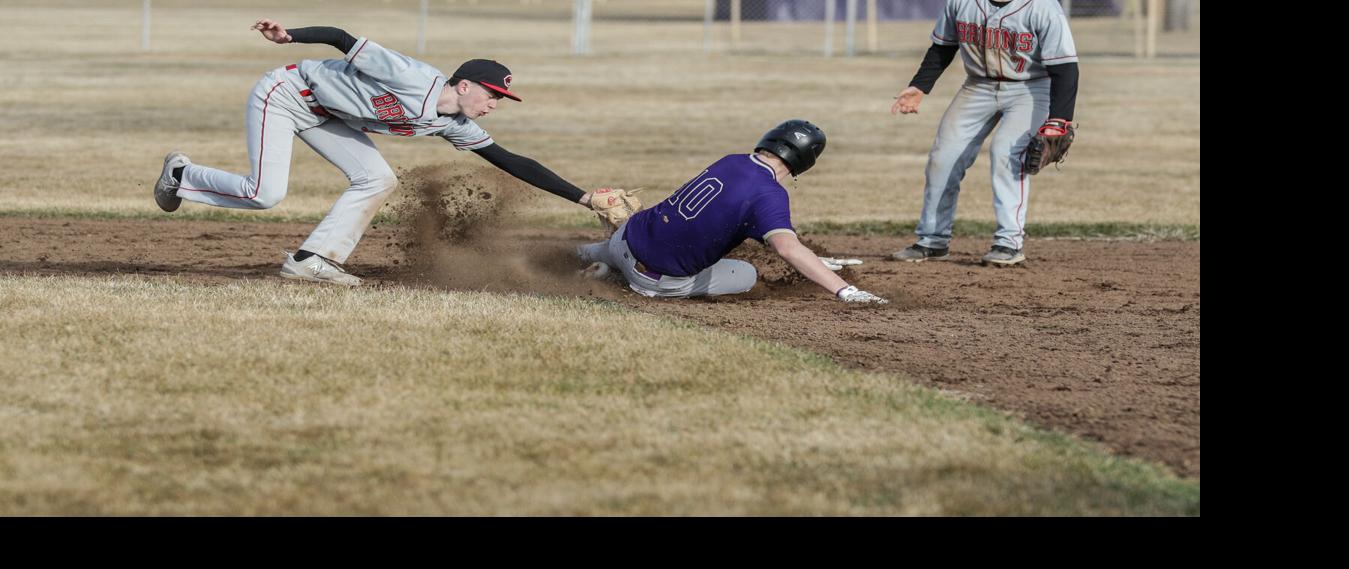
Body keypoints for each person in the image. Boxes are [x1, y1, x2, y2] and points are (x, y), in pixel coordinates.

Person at [153, 19, 627, 287]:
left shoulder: (454, 123)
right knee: (264, 194)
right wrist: (288, 36)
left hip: (327, 115)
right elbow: (341, 38)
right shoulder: (412, 77)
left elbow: (510, 160)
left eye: (500, 99)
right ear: (464, 85)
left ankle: (311, 259)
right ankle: (182, 175)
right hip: (287, 94)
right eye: (492, 95)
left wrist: (585, 198)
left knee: (378, 179)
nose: (494, 105)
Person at [576, 120, 888, 304]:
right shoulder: (770, 194)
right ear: (805, 162)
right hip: (654, 280)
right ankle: (615, 278)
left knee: (594, 252)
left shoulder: (732, 160)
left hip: (625, 239)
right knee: (746, 273)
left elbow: (723, 211)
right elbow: (786, 248)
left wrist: (813, 259)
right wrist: (845, 290)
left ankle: (586, 256)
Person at [889, 0, 1079, 267]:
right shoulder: (961, 3)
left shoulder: (1043, 8)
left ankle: (1008, 242)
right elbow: (943, 46)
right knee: (943, 158)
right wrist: (920, 86)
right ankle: (932, 240)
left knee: (1006, 152)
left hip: (1031, 88)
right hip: (977, 86)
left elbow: (1066, 68)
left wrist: (1060, 119)